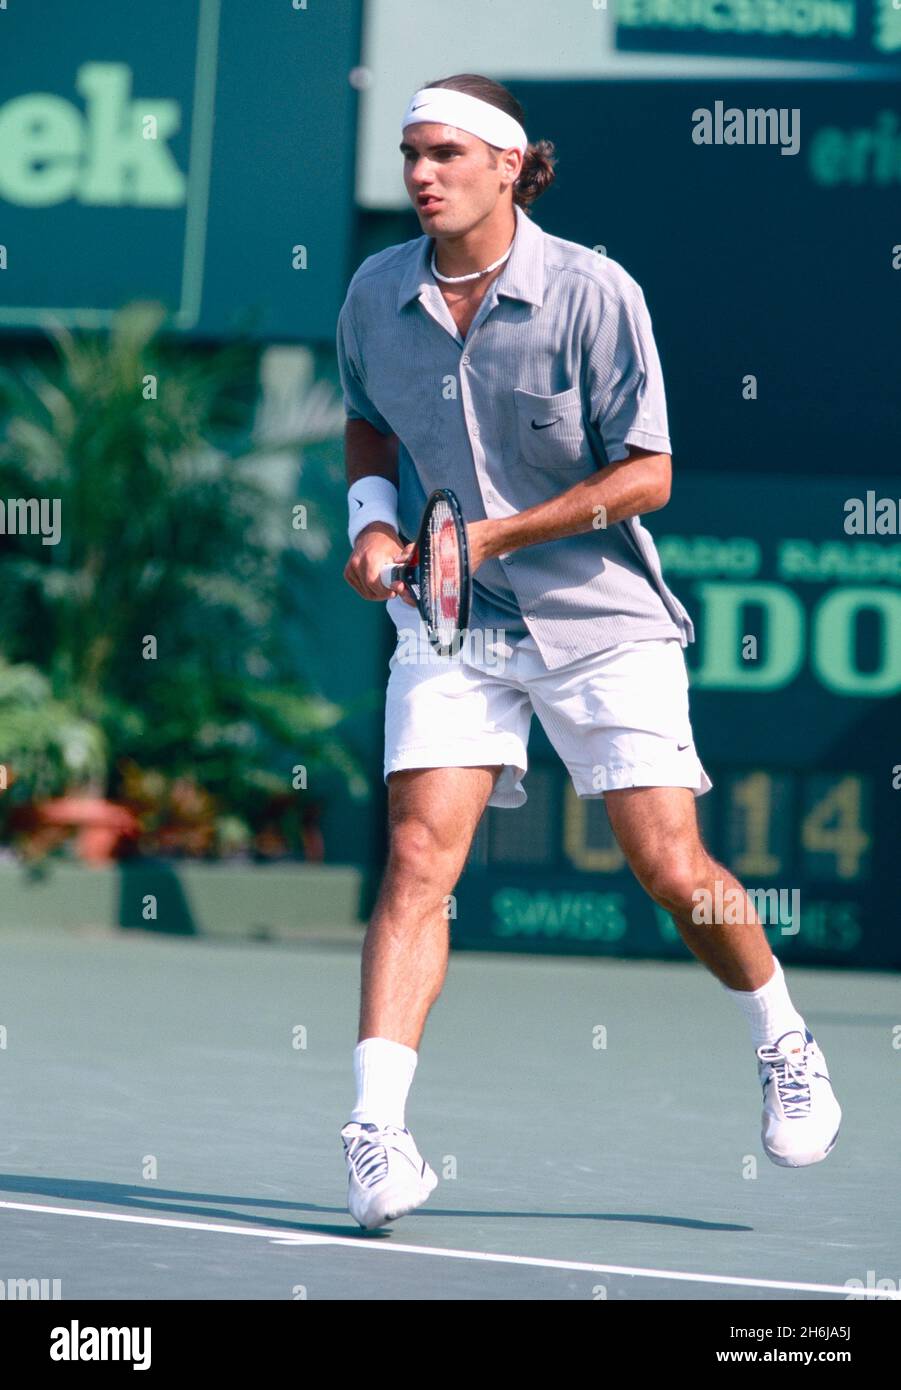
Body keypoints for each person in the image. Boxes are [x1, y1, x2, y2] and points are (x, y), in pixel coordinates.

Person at [336, 73, 841, 1231]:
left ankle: (782, 1040)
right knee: (418, 857)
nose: (420, 172)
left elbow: (648, 473)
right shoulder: (373, 290)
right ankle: (376, 1133)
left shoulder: (594, 291)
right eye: (411, 153)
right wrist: (372, 518)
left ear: (509, 166)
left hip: (599, 619)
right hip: (451, 620)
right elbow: (365, 414)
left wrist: (501, 531)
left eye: (445, 154)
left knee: (671, 867)